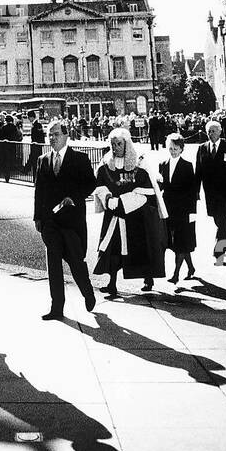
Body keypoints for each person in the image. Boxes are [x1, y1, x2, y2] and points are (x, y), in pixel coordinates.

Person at [33, 120, 98, 320]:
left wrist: (75, 197)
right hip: (50, 223)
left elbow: (91, 184)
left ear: (66, 135)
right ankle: (57, 307)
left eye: (56, 134)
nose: (52, 138)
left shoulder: (80, 158)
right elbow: (39, 191)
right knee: (53, 264)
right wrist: (38, 217)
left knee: (75, 261)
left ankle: (87, 292)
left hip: (72, 221)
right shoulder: (43, 160)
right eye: (49, 135)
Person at [93, 128, 167, 296]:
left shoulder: (139, 165)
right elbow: (100, 185)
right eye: (112, 144)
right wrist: (108, 199)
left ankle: (148, 278)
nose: (115, 147)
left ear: (126, 144)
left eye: (119, 144)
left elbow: (145, 192)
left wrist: (123, 202)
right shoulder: (106, 164)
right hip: (113, 214)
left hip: (135, 216)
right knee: (112, 249)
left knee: (140, 248)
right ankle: (112, 283)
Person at [195, 118, 226, 264]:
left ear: (220, 132)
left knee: (224, 216)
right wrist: (196, 190)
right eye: (208, 131)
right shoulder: (202, 148)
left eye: (213, 131)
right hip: (209, 190)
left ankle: (219, 247)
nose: (210, 134)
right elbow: (198, 171)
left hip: (225, 190)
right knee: (217, 217)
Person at [159, 133, 197, 284]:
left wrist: (192, 212)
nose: (173, 151)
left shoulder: (187, 166)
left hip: (184, 210)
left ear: (182, 149)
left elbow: (192, 191)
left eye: (176, 148)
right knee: (178, 242)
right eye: (170, 148)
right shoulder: (162, 164)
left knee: (181, 242)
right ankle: (191, 268)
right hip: (168, 209)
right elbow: (161, 186)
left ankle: (175, 274)